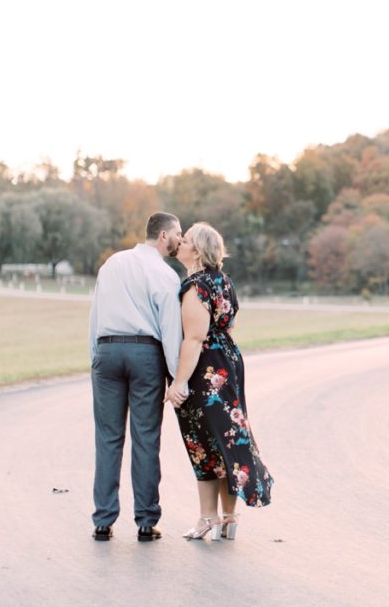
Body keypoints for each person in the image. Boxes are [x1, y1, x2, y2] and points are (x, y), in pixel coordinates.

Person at [166, 222, 273, 540]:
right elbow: (230, 324)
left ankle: (207, 518)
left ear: (196, 251)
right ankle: (228, 518)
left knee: (203, 443)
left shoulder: (195, 286)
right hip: (228, 361)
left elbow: (195, 338)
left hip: (206, 369)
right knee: (227, 436)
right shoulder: (223, 281)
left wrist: (179, 382)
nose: (179, 245)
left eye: (184, 241)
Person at [88, 212, 184, 542]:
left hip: (108, 350)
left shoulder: (112, 264)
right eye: (177, 234)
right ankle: (145, 521)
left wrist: (95, 358)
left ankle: (103, 520)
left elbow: (95, 314)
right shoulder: (165, 274)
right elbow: (171, 329)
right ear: (162, 236)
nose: (179, 241)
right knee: (145, 438)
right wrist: (175, 376)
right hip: (146, 354)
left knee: (107, 437)